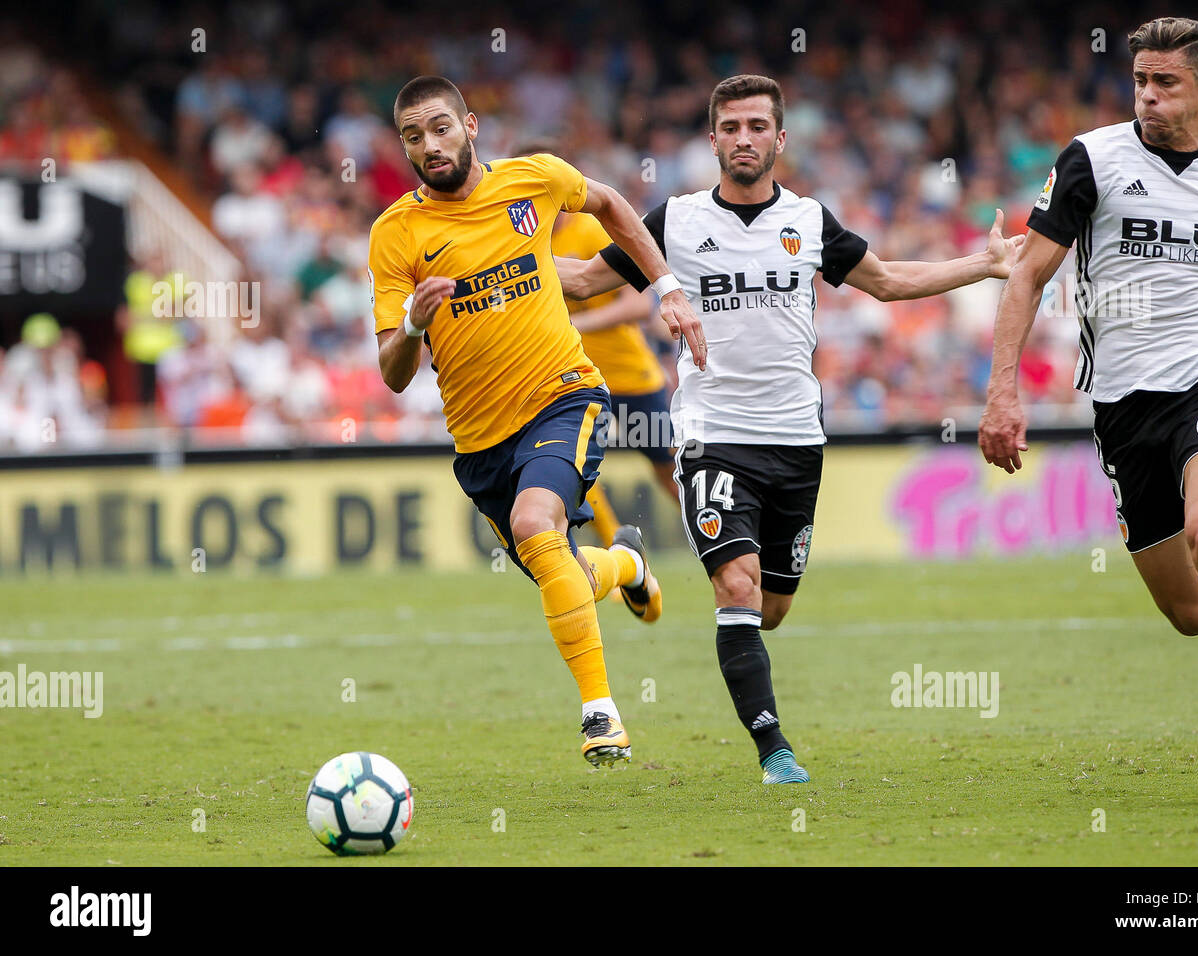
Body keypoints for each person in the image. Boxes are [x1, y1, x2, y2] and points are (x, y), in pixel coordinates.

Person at [559, 74, 1022, 783]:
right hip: (712, 434)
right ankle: (774, 750)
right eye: (730, 127)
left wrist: (984, 265)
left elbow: (889, 280)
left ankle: (750, 691)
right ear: (711, 138)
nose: (743, 139)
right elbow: (585, 280)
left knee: (770, 608)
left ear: (780, 138)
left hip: (796, 442)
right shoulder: (675, 221)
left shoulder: (808, 220)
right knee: (736, 588)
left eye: (756, 127)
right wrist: (492, 261)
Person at [978, 17, 1198, 802]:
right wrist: (1002, 390)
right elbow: (1028, 275)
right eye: (1140, 82)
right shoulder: (1093, 160)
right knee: (1190, 611)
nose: (1148, 96)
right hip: (1122, 405)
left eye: (1165, 83)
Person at [370, 76, 707, 767]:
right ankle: (626, 564)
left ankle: (600, 717)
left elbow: (612, 204)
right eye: (413, 136)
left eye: (440, 128)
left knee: (533, 525)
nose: (429, 145)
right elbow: (394, 372)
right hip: (478, 441)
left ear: (469, 125)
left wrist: (668, 287)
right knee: (567, 573)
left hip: (565, 396)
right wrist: (412, 323)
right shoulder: (394, 234)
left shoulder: (535, 180)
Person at [516, 142, 677, 567]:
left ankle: (716, 541)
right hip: (571, 380)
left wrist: (575, 326)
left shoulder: (589, 231)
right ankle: (615, 554)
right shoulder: (515, 243)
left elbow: (640, 305)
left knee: (668, 469)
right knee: (571, 468)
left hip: (631, 377)